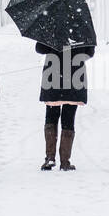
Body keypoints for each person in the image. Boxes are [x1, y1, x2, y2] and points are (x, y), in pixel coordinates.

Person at [37, 40, 95, 171]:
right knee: (68, 120)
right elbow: (89, 53)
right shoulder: (82, 28)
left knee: (51, 117)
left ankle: (50, 158)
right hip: (74, 76)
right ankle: (65, 161)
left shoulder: (51, 24)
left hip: (52, 76)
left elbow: (40, 48)